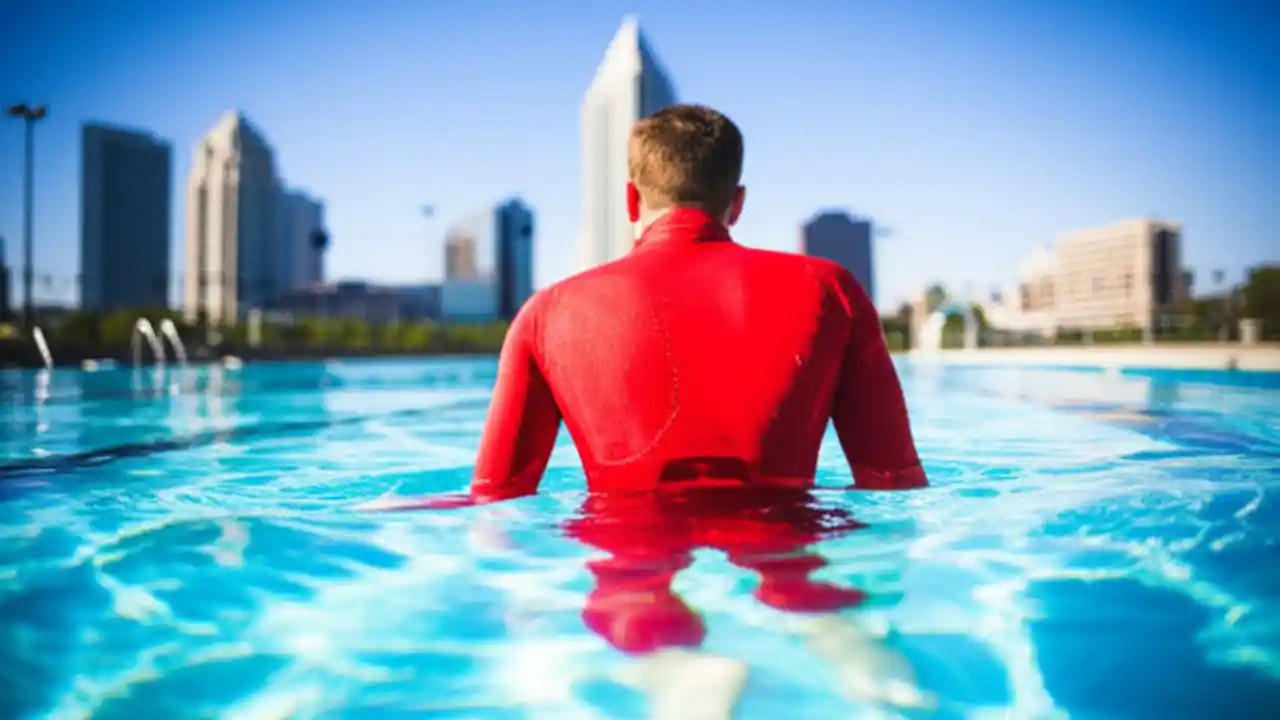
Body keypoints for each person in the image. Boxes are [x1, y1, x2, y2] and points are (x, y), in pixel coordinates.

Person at [467, 103, 925, 504]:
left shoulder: (546, 313)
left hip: (630, 583)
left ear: (631, 199)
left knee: (629, 598)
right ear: (738, 202)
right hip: (788, 564)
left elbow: (495, 497)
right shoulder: (831, 289)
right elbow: (892, 481)